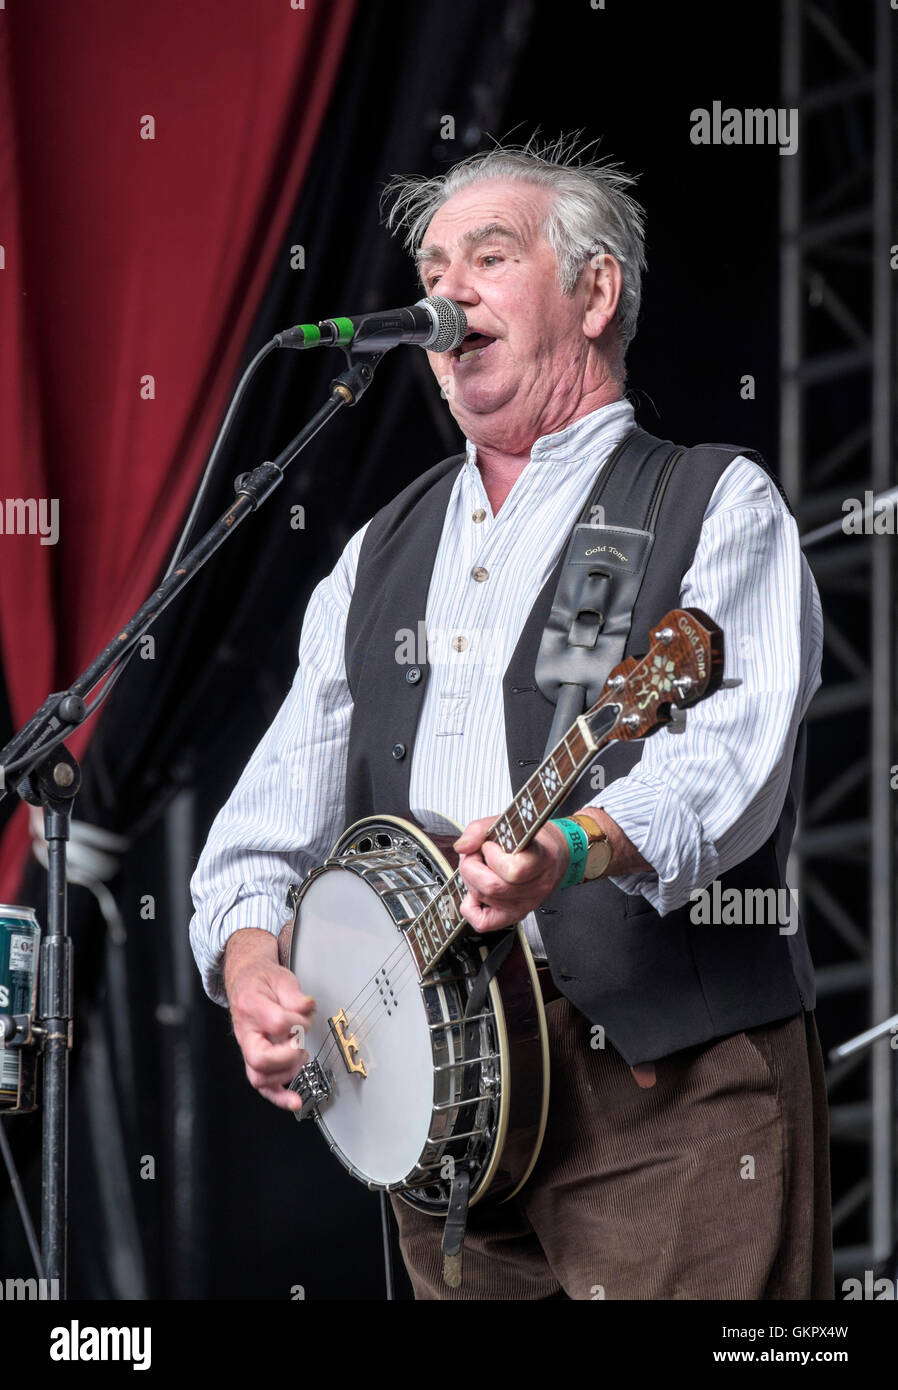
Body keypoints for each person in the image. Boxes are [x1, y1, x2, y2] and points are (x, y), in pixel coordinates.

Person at [189, 137, 832, 1300]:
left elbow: (732, 758)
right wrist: (247, 960)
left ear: (595, 292)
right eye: (433, 265)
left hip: (665, 1100)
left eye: (489, 256)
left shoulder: (706, 500)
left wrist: (570, 847)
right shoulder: (377, 551)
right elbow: (259, 830)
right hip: (452, 1126)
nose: (447, 290)